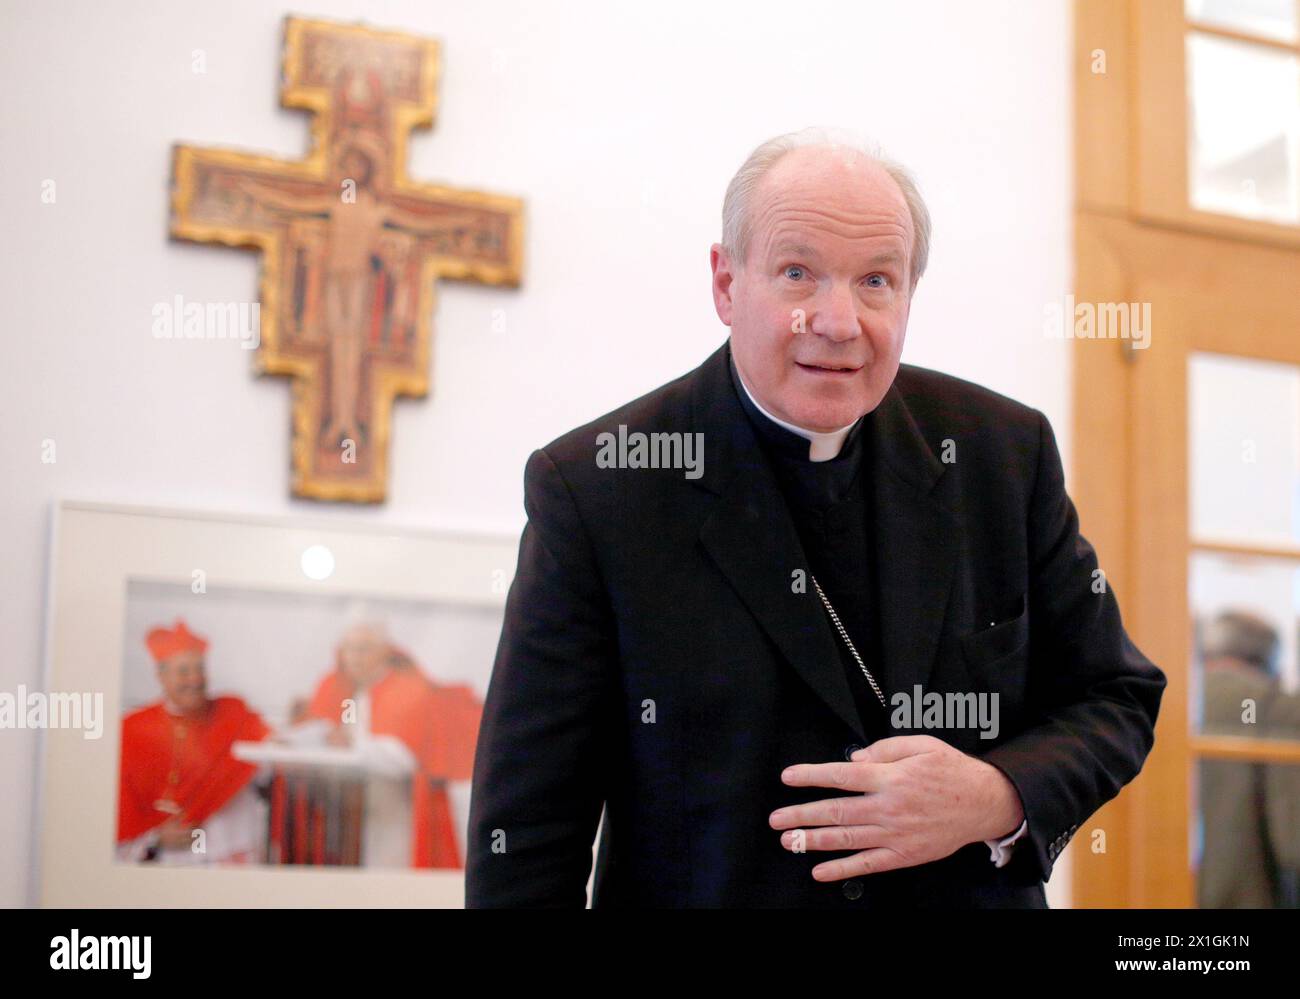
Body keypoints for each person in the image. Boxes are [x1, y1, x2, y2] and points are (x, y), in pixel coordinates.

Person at [466, 127, 1166, 908]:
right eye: (798, 273)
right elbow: (527, 836)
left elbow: (1116, 696)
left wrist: (996, 793)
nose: (838, 321)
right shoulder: (599, 488)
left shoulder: (1001, 452)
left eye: (876, 281)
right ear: (727, 284)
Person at [295, 619, 482, 868]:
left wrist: (352, 744)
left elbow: (405, 756)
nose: (354, 657)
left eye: (363, 649)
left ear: (385, 651)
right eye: (348, 649)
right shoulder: (348, 691)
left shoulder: (406, 690)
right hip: (351, 813)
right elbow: (329, 729)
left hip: (398, 812)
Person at [117, 619, 271, 864]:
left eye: (200, 669)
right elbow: (122, 811)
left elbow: (268, 758)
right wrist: (154, 837)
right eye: (184, 671)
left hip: (226, 857)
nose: (195, 679)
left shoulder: (233, 713)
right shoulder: (132, 727)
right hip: (166, 862)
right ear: (161, 674)